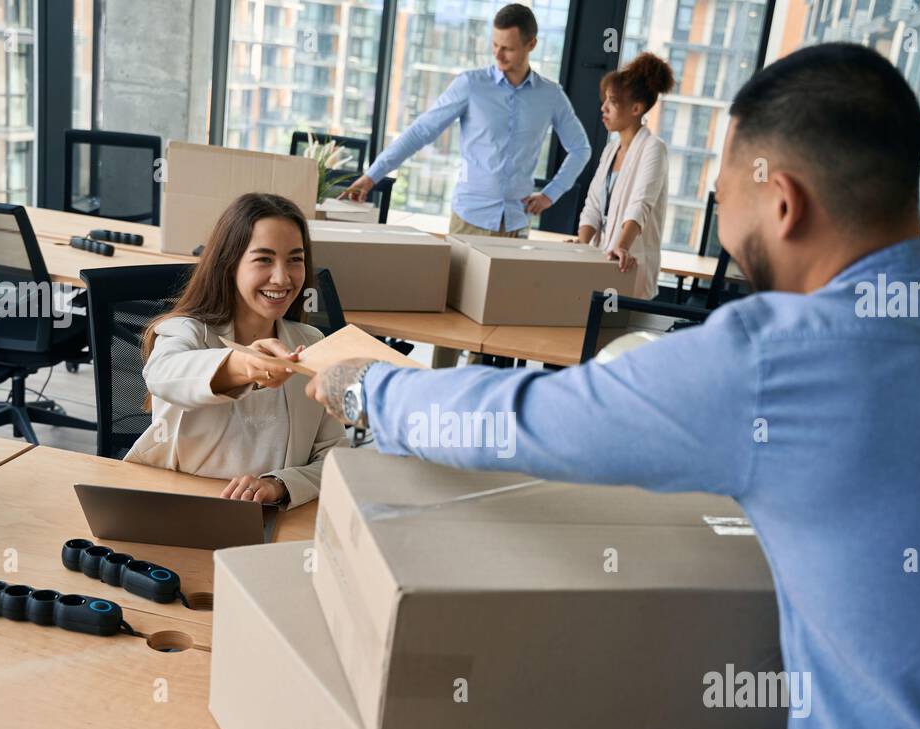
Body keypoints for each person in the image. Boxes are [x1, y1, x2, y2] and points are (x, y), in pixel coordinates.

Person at [306, 44, 920, 729]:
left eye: (723, 186)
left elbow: (523, 422)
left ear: (783, 201)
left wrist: (365, 385)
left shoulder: (782, 362)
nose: (713, 200)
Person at [339, 2, 591, 366]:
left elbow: (581, 148)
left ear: (531, 45)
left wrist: (551, 194)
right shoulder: (471, 85)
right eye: (494, 45)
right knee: (452, 321)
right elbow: (421, 131)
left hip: (515, 227)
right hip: (470, 217)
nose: (499, 54)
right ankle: (440, 393)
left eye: (508, 47)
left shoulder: (550, 95)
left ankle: (477, 402)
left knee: (498, 329)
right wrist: (372, 175)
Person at [125, 193, 347, 507]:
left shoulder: (309, 341)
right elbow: (161, 375)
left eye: (295, 259)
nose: (283, 277)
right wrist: (245, 365)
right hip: (180, 507)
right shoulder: (185, 330)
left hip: (265, 518)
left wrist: (279, 485)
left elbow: (335, 456)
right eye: (264, 259)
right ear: (230, 265)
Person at [572, 51, 675, 301]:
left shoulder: (653, 148)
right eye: (604, 100)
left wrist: (622, 246)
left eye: (612, 102)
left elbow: (641, 205)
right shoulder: (611, 150)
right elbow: (593, 205)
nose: (603, 108)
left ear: (636, 108)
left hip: (629, 266)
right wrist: (582, 245)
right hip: (601, 264)